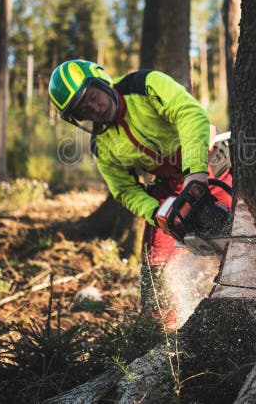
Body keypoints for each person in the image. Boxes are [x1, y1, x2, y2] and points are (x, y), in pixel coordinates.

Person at [48, 60, 232, 326]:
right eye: (82, 109)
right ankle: (159, 326)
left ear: (100, 81)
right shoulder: (102, 145)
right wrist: (157, 212)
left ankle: (246, 295)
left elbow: (190, 115)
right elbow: (124, 190)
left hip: (211, 162)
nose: (93, 108)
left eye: (91, 97)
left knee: (234, 229)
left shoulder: (145, 85)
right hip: (171, 184)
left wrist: (196, 175)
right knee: (156, 256)